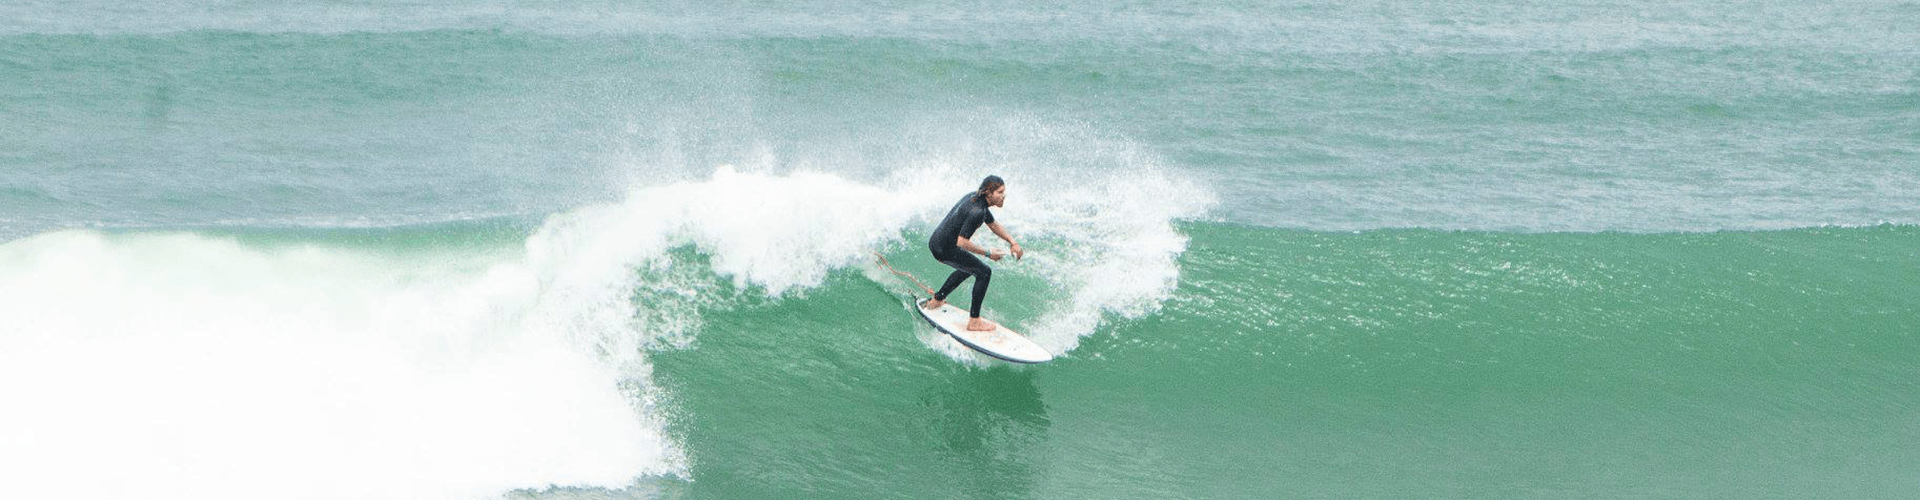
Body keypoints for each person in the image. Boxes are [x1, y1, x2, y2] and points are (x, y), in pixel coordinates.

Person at [922, 175, 1024, 331]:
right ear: (988, 193)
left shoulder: (976, 198)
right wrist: (988, 253)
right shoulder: (978, 211)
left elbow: (993, 224)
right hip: (944, 249)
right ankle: (974, 321)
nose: (1003, 196)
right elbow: (962, 242)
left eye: (1003, 192)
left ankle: (937, 300)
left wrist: (1013, 242)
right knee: (984, 272)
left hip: (937, 242)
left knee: (970, 268)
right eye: (999, 192)